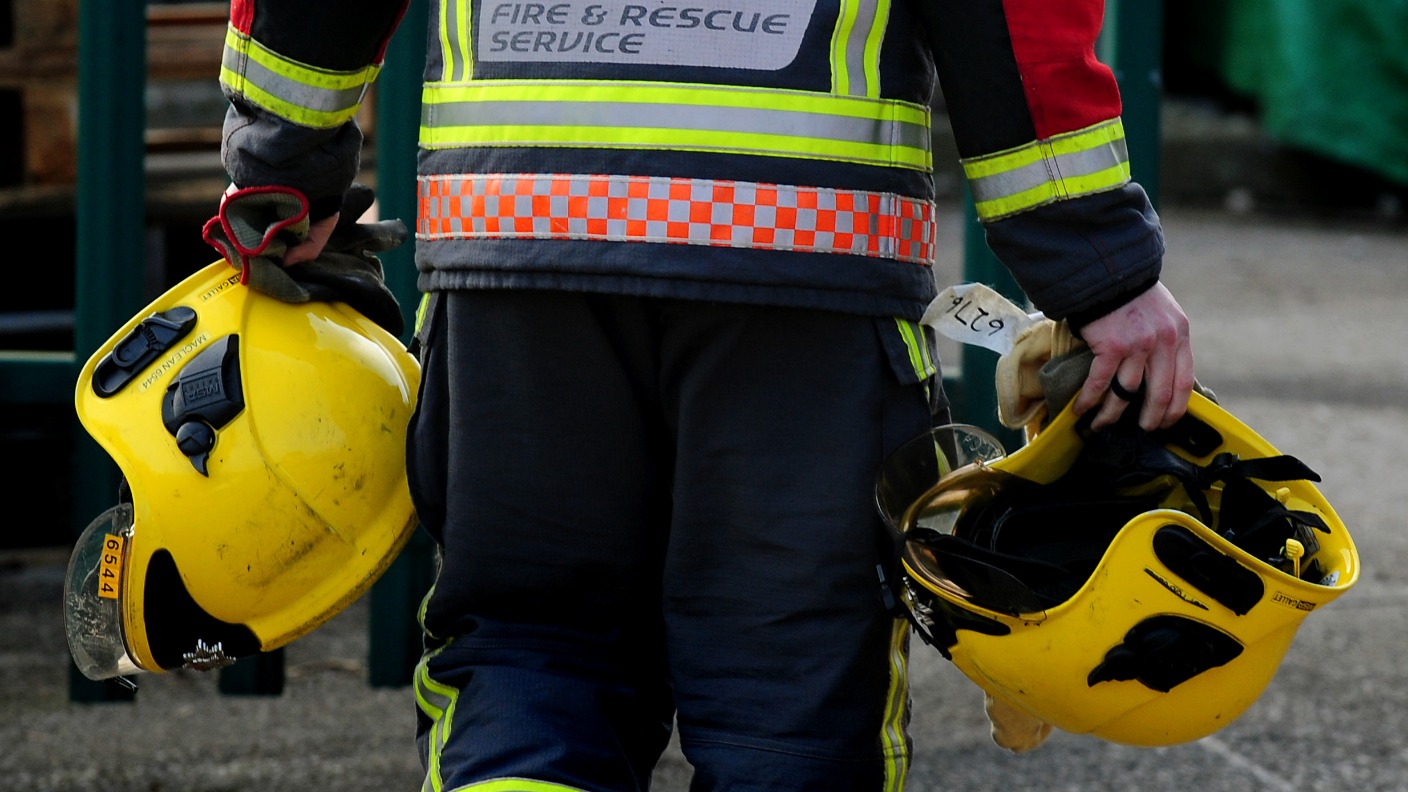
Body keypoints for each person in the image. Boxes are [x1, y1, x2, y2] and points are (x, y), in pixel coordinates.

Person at [212, 2, 1195, 789]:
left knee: (531, 648)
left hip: (520, 226)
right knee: (792, 678)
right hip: (798, 246)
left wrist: (282, 170)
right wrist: (1093, 266)